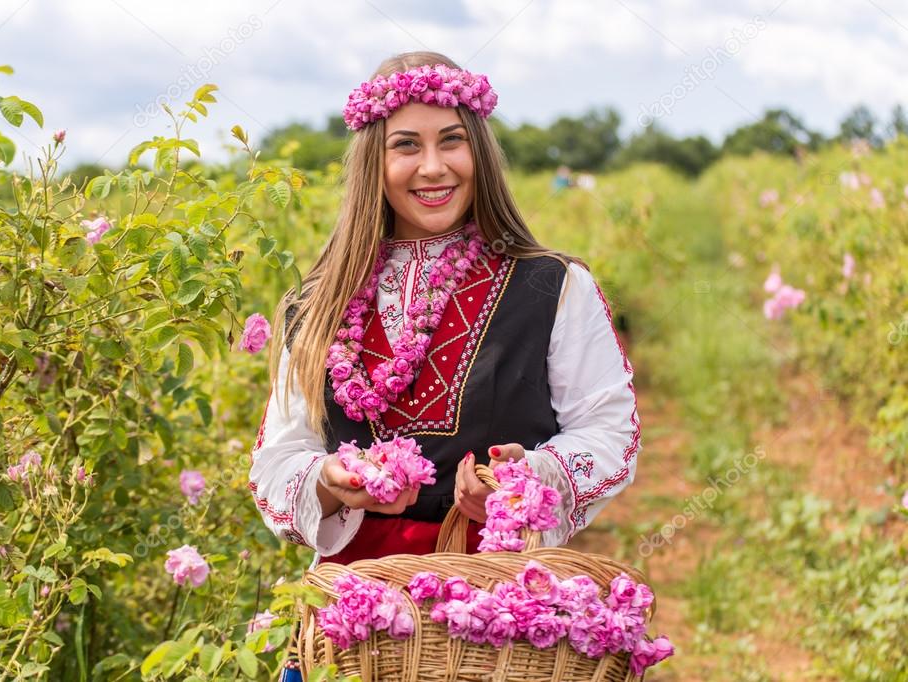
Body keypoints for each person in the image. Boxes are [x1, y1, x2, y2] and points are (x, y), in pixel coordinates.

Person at [247, 51, 642, 681]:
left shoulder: (551, 286)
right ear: (373, 163)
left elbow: (608, 430)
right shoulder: (315, 305)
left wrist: (527, 480)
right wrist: (326, 480)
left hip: (502, 615)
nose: (433, 167)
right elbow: (277, 456)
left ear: (478, 152)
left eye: (452, 141)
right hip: (353, 621)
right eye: (406, 145)